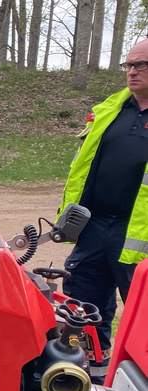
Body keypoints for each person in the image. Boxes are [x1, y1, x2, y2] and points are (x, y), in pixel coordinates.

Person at [59, 38, 148, 374]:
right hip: (94, 227)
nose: (132, 71)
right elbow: (81, 167)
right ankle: (89, 379)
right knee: (83, 309)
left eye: (140, 65)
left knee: (143, 321)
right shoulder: (112, 108)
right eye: (128, 65)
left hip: (138, 233)